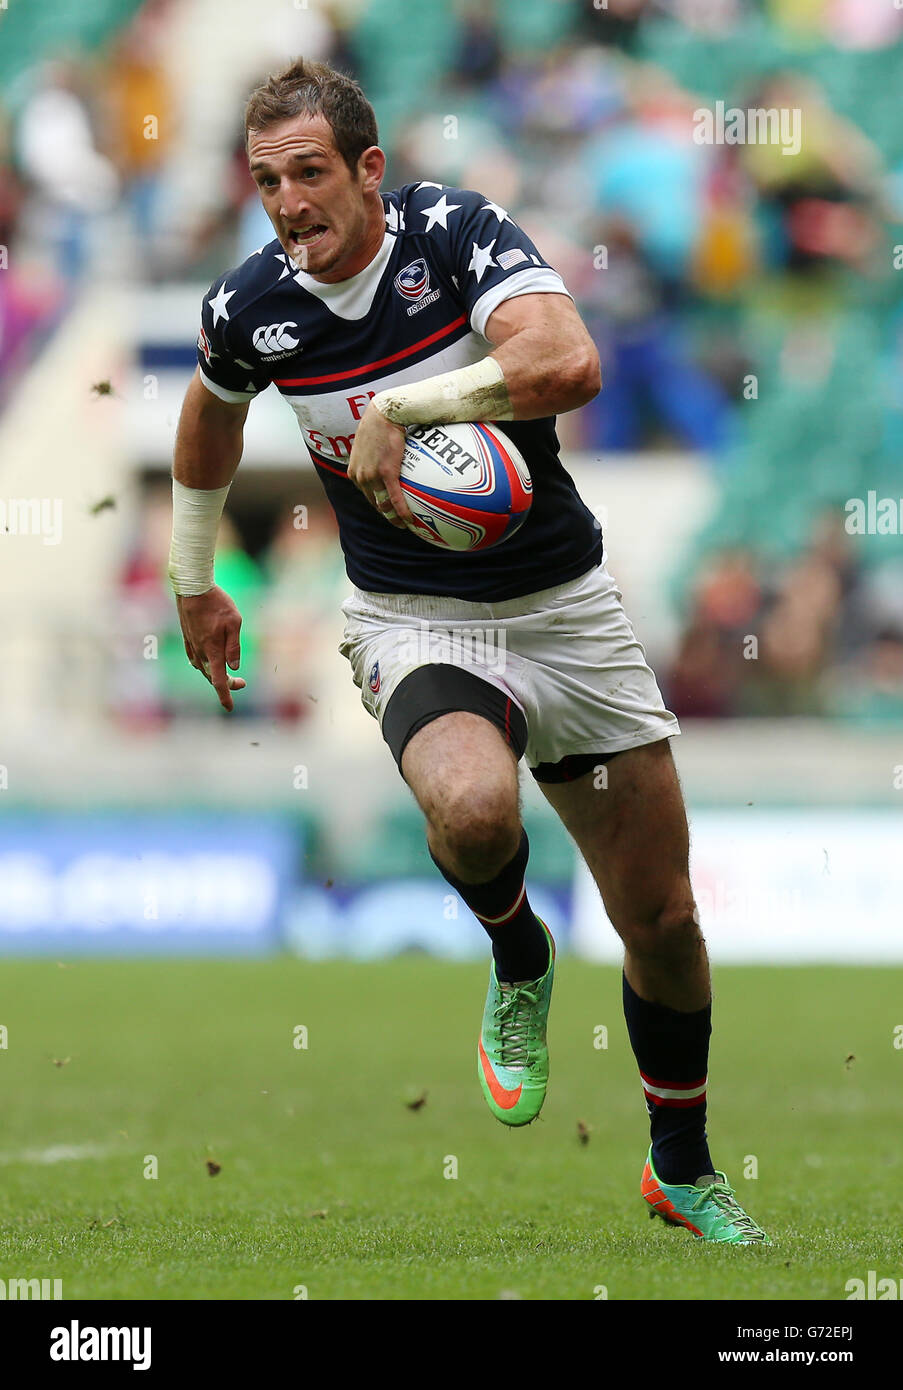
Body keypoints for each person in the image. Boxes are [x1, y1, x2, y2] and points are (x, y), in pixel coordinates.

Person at [168, 57, 769, 1244]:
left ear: (369, 170)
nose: (288, 202)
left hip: (563, 607)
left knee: (663, 919)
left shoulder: (455, 235)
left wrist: (411, 406)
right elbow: (211, 419)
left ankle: (680, 1166)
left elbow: (571, 362)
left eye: (310, 173)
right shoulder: (250, 306)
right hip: (413, 617)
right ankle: (518, 953)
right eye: (265, 180)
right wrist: (194, 579)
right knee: (475, 808)